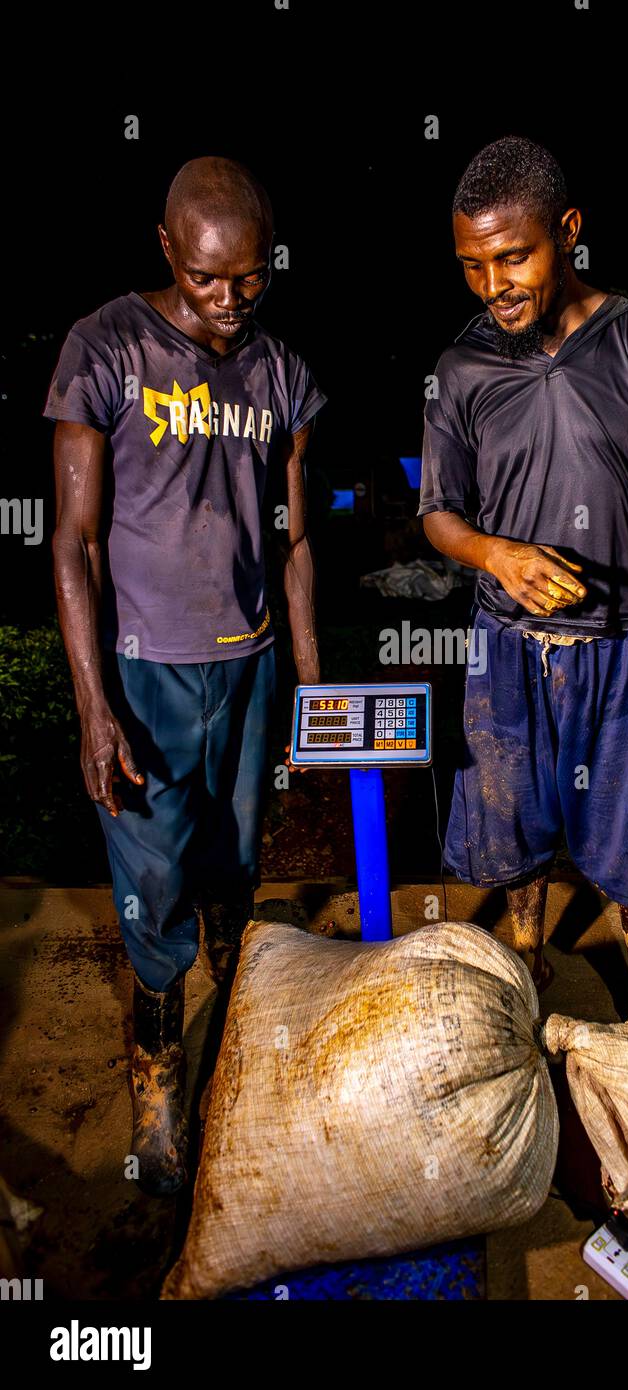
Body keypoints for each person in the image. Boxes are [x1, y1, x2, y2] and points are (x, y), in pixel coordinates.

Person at [419, 136, 628, 1039]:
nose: (494, 285)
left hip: (627, 644)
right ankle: (526, 959)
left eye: (513, 256)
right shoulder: (459, 370)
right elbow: (439, 514)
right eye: (472, 266)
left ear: (567, 231)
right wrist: (498, 557)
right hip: (508, 646)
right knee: (513, 825)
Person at [46, 156, 326, 1195]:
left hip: (248, 669)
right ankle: (158, 1076)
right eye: (207, 278)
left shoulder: (281, 371)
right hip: (144, 673)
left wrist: (308, 678)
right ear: (169, 250)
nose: (227, 300)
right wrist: (92, 709)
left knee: (236, 860)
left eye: (249, 277)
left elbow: (293, 536)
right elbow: (72, 546)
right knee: (151, 884)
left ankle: (236, 1016)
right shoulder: (103, 348)